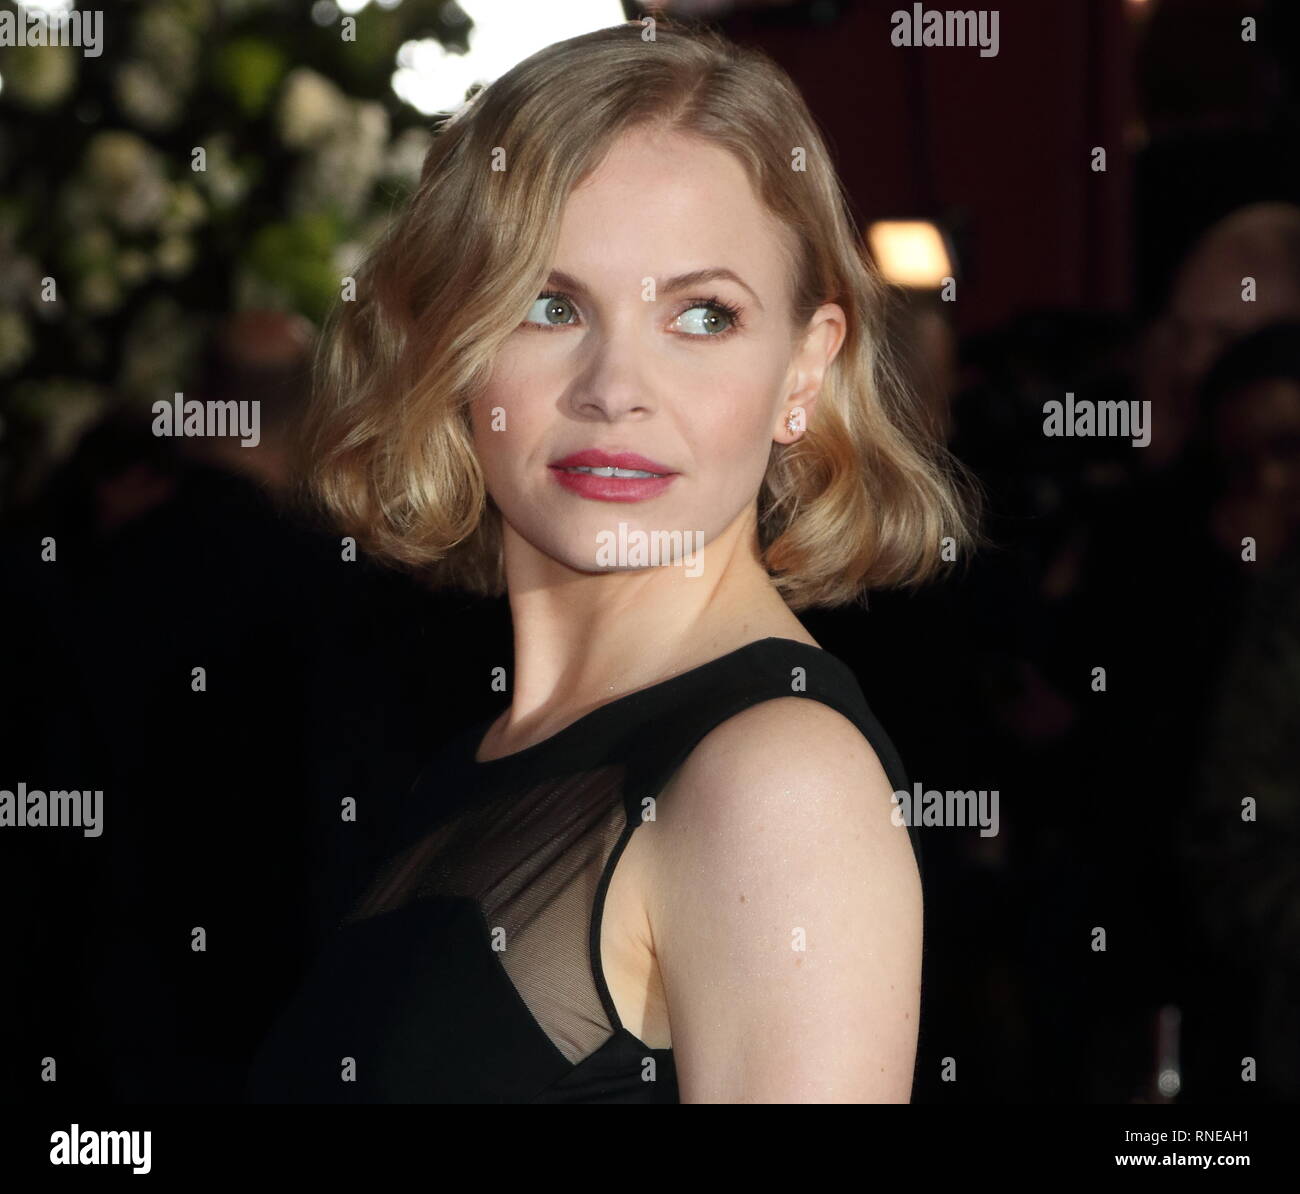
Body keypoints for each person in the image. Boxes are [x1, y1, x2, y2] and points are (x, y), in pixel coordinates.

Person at [248, 19, 976, 1104]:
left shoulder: (775, 784)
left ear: (804, 372)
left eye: (701, 314)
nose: (612, 388)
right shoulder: (466, 753)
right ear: (448, 345)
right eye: (550, 306)